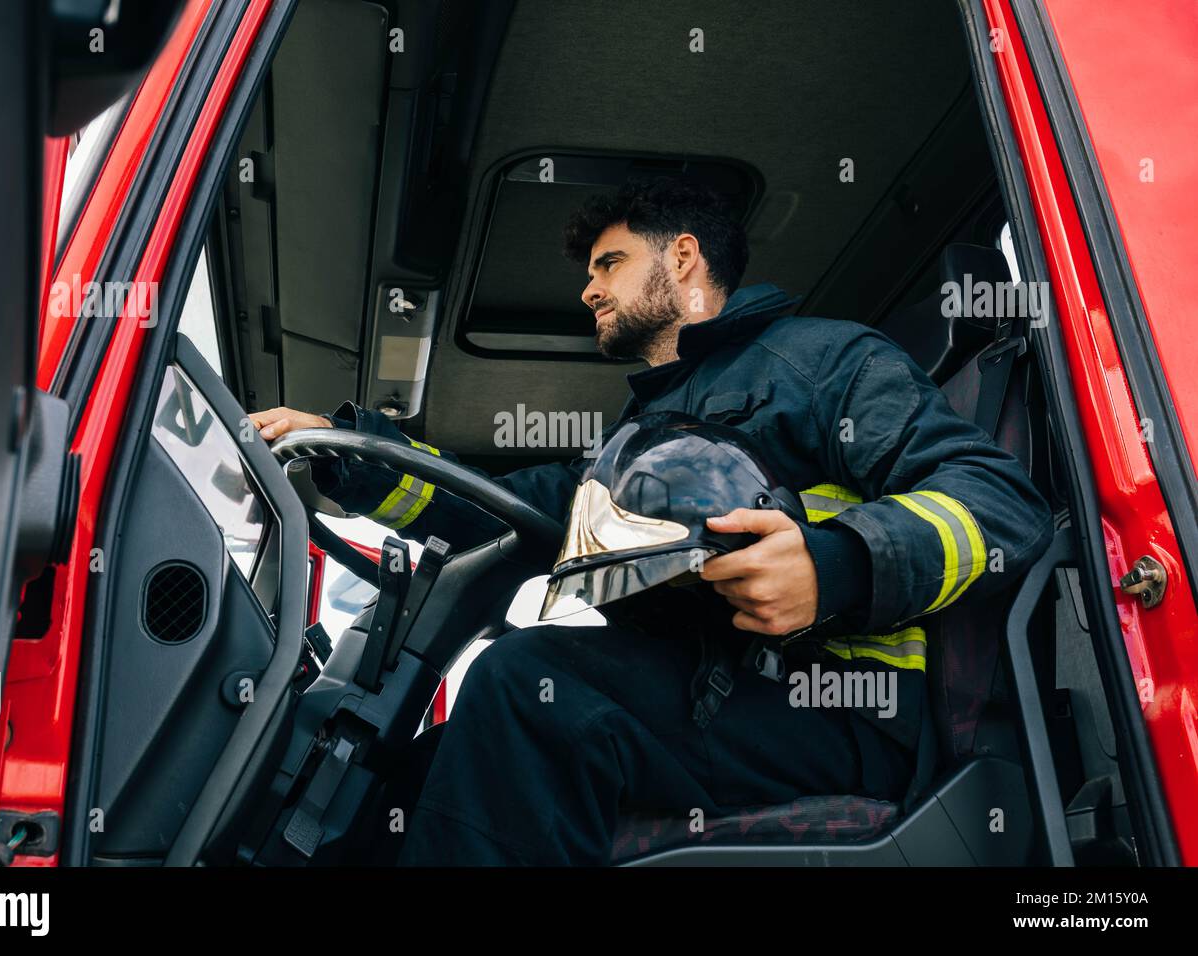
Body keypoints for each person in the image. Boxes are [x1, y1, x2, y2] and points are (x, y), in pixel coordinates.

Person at [249, 178, 1053, 865]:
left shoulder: (823, 361)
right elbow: (501, 507)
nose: (589, 291)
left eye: (610, 263)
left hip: (835, 704)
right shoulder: (633, 442)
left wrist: (836, 563)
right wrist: (350, 454)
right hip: (706, 689)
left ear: (682, 258)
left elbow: (1002, 505)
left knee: (524, 685)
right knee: (419, 772)